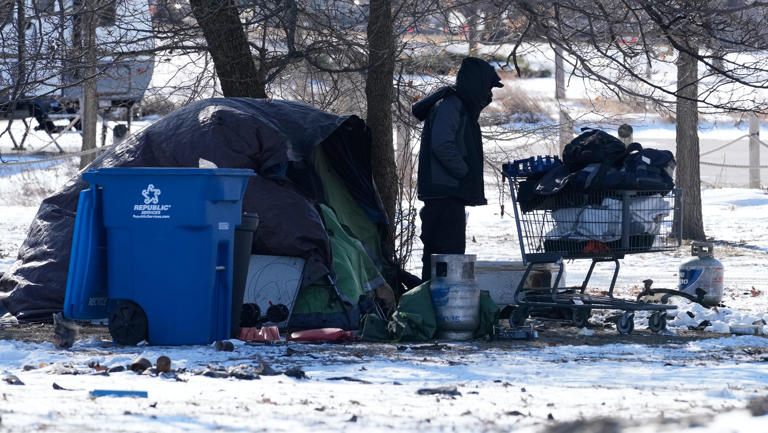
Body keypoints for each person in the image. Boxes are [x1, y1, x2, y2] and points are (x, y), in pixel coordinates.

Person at [411, 57, 503, 282]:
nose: (489, 95)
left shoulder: (457, 105)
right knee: (445, 259)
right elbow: (442, 144)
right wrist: (463, 173)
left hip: (448, 193)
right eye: (488, 88)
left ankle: (438, 307)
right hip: (445, 192)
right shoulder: (452, 105)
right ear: (477, 85)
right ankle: (437, 309)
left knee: (443, 259)